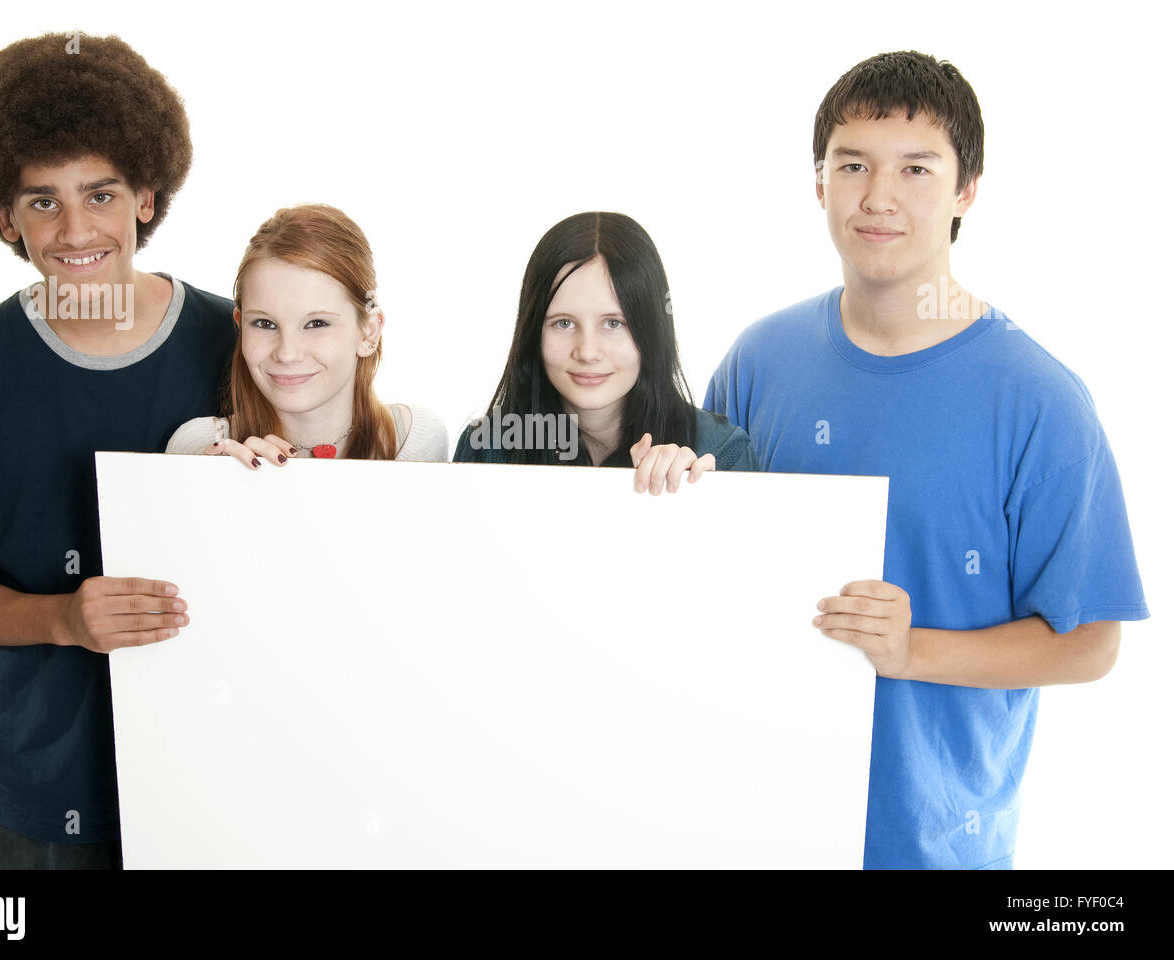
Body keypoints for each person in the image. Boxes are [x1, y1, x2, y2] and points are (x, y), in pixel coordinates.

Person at [704, 51, 1148, 869]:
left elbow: (1091, 642)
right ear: (818, 181)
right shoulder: (757, 361)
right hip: (747, 826)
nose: (877, 197)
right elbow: (702, 575)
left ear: (966, 190)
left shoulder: (1039, 401)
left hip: (934, 852)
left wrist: (914, 652)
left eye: (915, 167)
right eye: (853, 165)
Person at [0, 33, 237, 869]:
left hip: (218, 768)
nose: (76, 229)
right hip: (37, 785)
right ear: (4, 216)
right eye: (42, 201)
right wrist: (62, 619)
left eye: (101, 193)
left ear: (146, 196)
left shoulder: (237, 344)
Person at [454, 211, 757, 491]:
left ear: (651, 331)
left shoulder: (719, 451)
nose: (587, 351)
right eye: (563, 323)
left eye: (613, 323)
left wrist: (704, 495)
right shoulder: (488, 447)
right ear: (533, 331)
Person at [167, 204, 447, 464]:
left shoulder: (418, 442)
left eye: (316, 324)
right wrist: (210, 487)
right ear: (240, 326)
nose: (287, 353)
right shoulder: (197, 446)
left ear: (369, 332)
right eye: (265, 324)